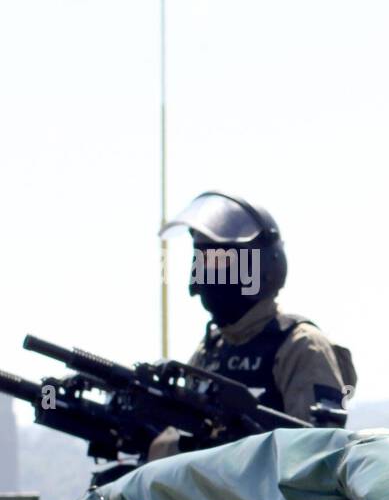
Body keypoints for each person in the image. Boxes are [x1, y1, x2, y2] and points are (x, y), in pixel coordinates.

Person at [150, 192, 356, 459]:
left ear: (258, 268)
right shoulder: (210, 351)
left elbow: (316, 456)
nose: (208, 275)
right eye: (202, 263)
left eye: (220, 262)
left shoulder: (301, 346)